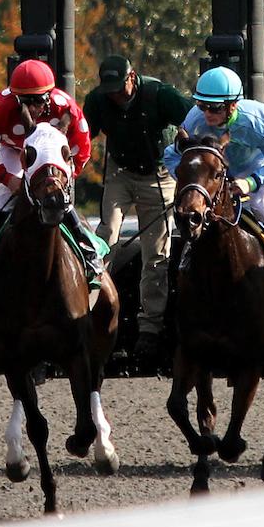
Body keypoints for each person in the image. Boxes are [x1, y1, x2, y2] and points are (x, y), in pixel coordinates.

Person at [82, 55, 192, 354]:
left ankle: (150, 328)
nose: (115, 96)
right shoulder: (98, 100)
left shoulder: (160, 94)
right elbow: (82, 136)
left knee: (156, 252)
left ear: (132, 77)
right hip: (119, 172)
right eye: (110, 90)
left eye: (119, 88)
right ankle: (89, 313)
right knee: (105, 239)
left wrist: (186, 147)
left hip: (158, 174)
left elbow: (192, 117)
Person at [0, 57, 103, 287]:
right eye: (24, 101)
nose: (31, 109)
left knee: (60, 196)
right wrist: (8, 179)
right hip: (15, 149)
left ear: (49, 96)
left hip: (52, 150)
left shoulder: (66, 108)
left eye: (37, 101)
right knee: (3, 197)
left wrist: (64, 180)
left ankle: (88, 250)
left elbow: (82, 148)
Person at [163, 64, 264, 285]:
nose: (207, 114)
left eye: (215, 108)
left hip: (255, 171)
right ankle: (189, 253)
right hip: (212, 177)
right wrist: (193, 183)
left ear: (232, 105)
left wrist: (252, 182)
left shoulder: (260, 120)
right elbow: (171, 155)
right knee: (194, 210)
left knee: (263, 205)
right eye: (202, 106)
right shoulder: (194, 120)